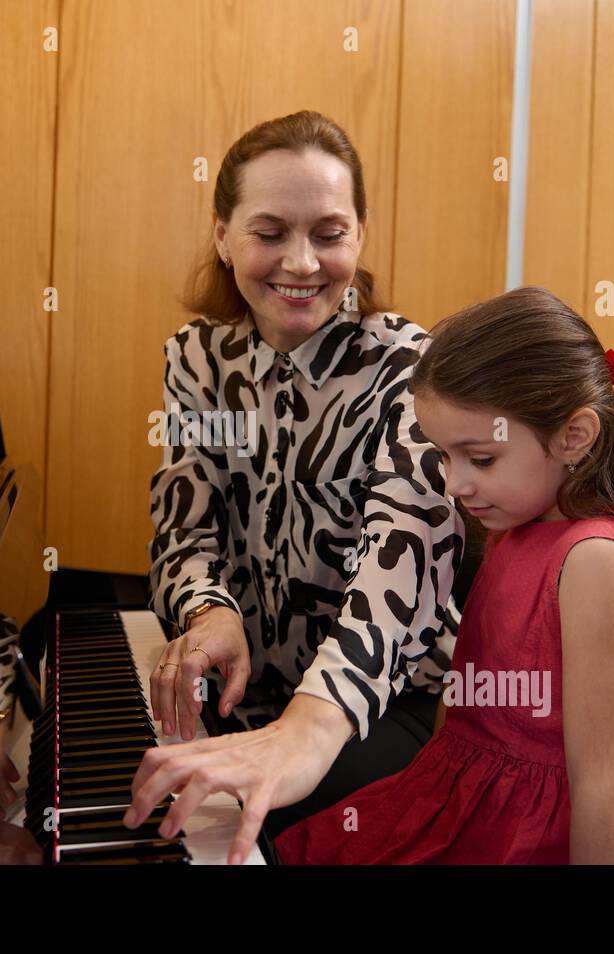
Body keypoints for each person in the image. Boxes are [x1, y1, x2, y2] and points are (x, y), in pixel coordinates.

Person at [274, 286, 614, 864]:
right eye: (443, 456)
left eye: (480, 458)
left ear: (573, 437)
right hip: (468, 803)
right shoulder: (518, 527)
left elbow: (600, 791)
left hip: (547, 837)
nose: (455, 483)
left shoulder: (595, 561)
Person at [128, 110, 465, 862]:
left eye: (329, 232)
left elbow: (406, 553)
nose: (304, 263)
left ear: (361, 234)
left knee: (226, 828)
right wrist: (209, 611)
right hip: (245, 692)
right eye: (271, 231)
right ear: (223, 234)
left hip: (373, 702)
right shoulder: (198, 361)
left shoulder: (409, 368)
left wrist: (312, 726)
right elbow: (185, 527)